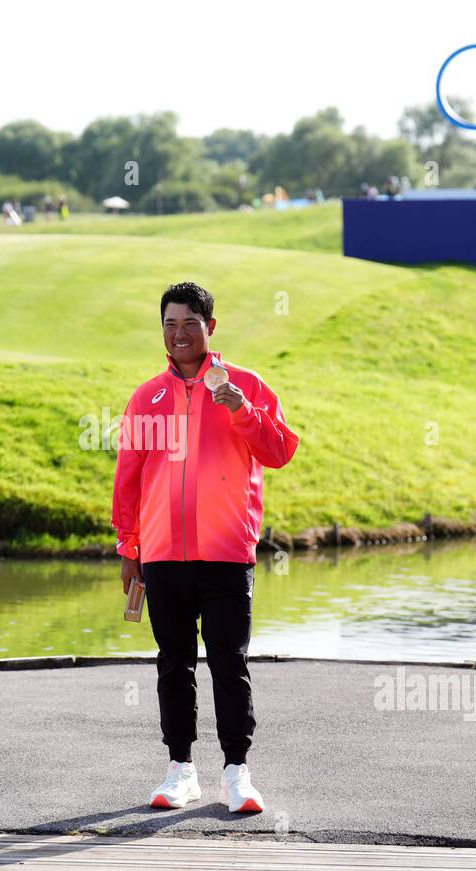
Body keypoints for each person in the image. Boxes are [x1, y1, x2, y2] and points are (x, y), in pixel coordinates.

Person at [112, 281, 299, 814]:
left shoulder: (244, 385)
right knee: (173, 663)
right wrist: (130, 548)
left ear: (210, 327)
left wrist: (242, 409)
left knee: (228, 662)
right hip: (163, 556)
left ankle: (237, 773)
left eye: (189, 323)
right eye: (170, 324)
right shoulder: (146, 397)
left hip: (226, 552)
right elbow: (129, 479)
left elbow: (280, 450)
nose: (179, 334)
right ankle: (180, 770)